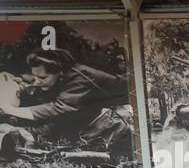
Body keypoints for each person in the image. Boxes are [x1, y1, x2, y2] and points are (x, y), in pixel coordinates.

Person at [0, 49, 128, 144]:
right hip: (95, 108)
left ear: (60, 72)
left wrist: (10, 109)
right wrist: (21, 79)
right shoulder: (59, 72)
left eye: (42, 78)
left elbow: (59, 108)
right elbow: (37, 77)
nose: (37, 81)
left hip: (123, 106)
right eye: (35, 76)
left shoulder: (80, 78)